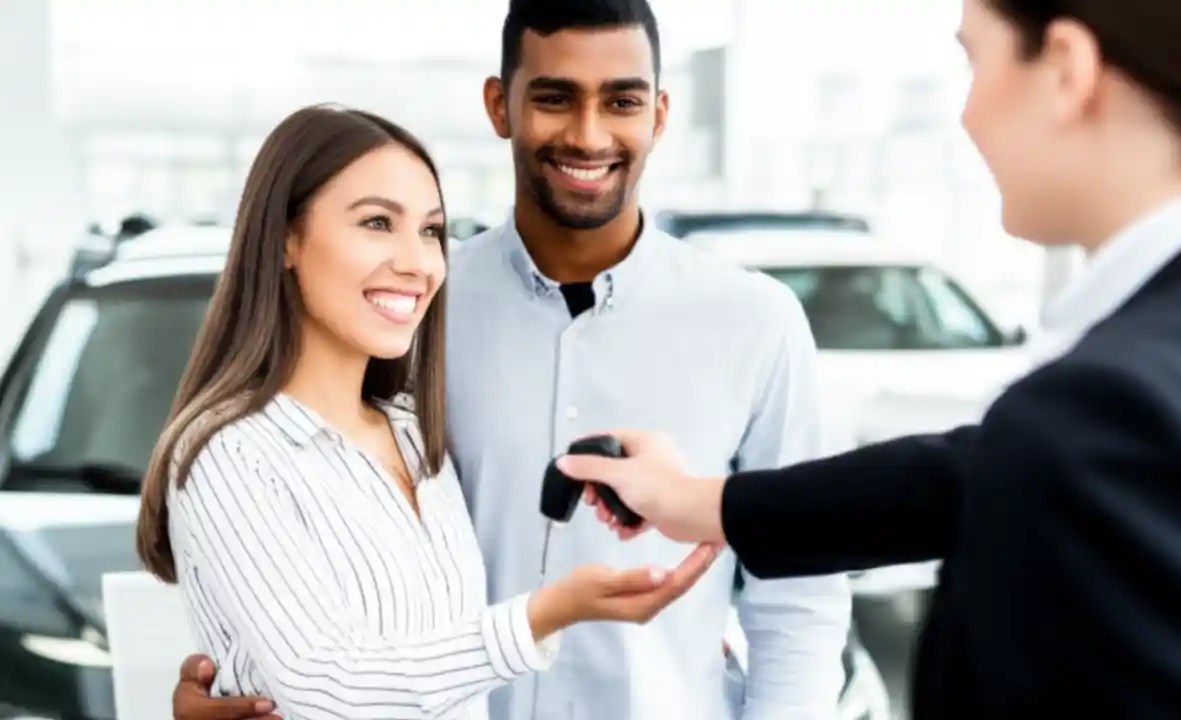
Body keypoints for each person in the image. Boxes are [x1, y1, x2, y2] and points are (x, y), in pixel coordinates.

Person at [560, 0, 1181, 717]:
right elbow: (966, 475)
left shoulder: (1102, 417)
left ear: (1066, 68)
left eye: (975, 59)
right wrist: (702, 502)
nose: (965, 114)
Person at [172, 1, 852, 719]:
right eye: (555, 98)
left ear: (658, 114)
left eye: (620, 101)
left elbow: (800, 597)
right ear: (500, 106)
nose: (589, 135)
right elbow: (315, 540)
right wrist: (246, 682)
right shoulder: (411, 311)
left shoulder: (755, 321)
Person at [135, 105, 720, 720]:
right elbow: (328, 686)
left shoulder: (414, 434)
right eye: (378, 222)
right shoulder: (229, 453)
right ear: (285, 237)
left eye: (431, 231)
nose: (418, 262)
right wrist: (549, 612)